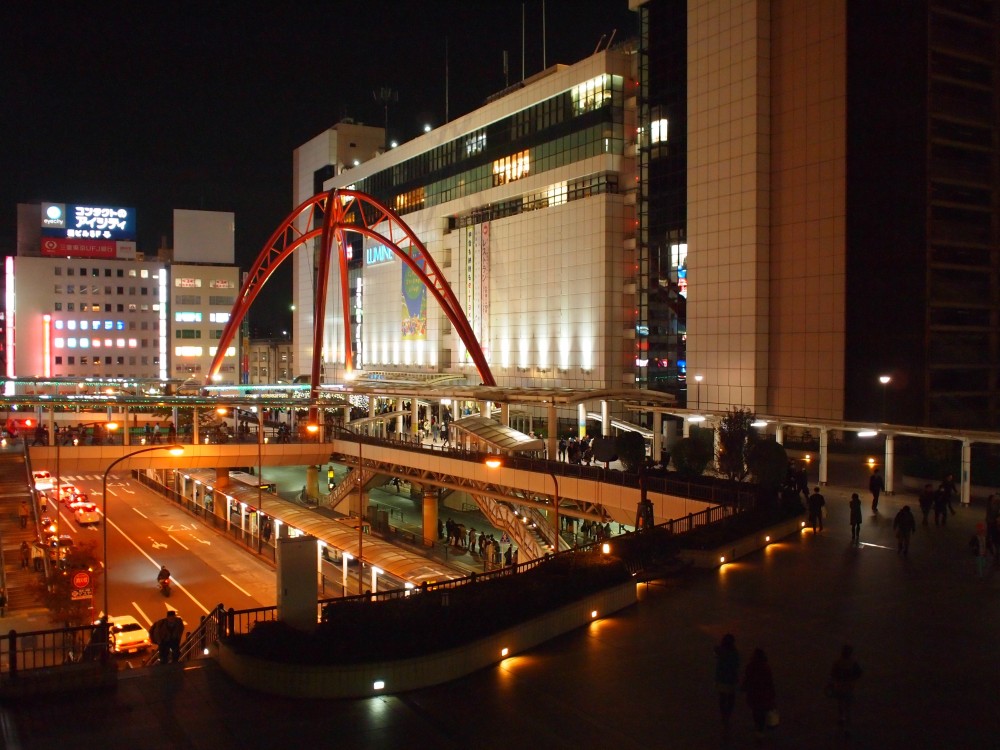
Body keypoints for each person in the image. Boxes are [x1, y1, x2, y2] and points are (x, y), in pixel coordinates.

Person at [742, 647, 776, 744]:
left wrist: (744, 687)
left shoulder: (750, 666)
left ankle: (758, 730)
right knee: (762, 713)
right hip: (764, 694)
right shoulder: (766, 667)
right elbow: (769, 682)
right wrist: (772, 694)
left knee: (756, 712)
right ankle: (760, 731)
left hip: (753, 694)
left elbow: (747, 679)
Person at [829, 644, 862, 737]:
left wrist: (832, 683)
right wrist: (852, 679)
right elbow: (859, 673)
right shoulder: (853, 663)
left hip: (839, 686)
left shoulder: (837, 662)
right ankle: (847, 728)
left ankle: (841, 718)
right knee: (848, 707)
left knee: (840, 703)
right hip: (849, 687)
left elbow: (832, 674)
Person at [714, 633, 740, 742]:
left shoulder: (721, 652)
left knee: (722, 698)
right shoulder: (734, 653)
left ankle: (724, 715)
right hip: (730, 679)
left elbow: (719, 665)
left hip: (722, 679)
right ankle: (728, 714)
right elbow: (736, 665)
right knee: (731, 698)